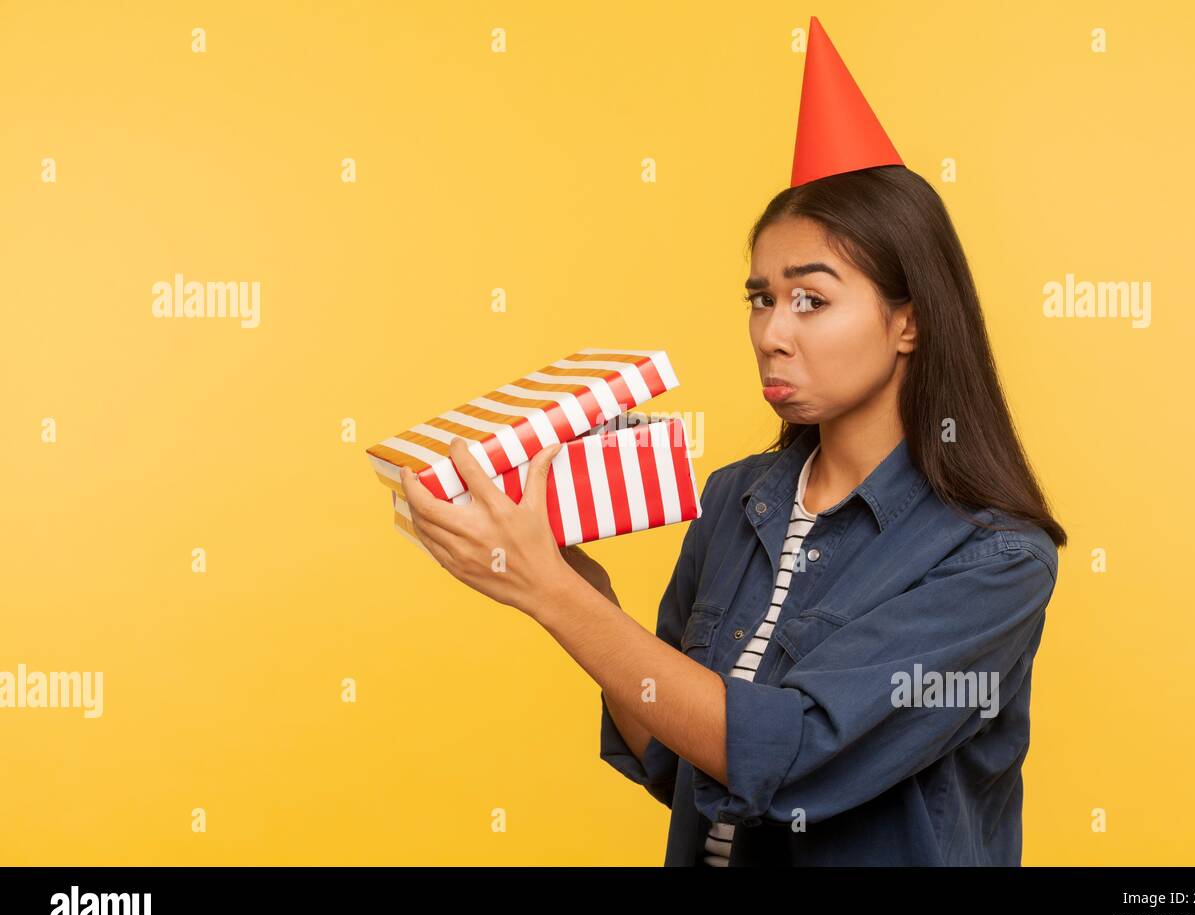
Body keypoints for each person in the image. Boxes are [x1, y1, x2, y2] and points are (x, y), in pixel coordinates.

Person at [397, 16, 1066, 866]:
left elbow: (791, 756)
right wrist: (580, 592)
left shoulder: (993, 563)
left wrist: (547, 594)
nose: (772, 332)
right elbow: (676, 758)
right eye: (760, 297)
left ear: (908, 321)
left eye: (811, 299)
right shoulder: (736, 497)